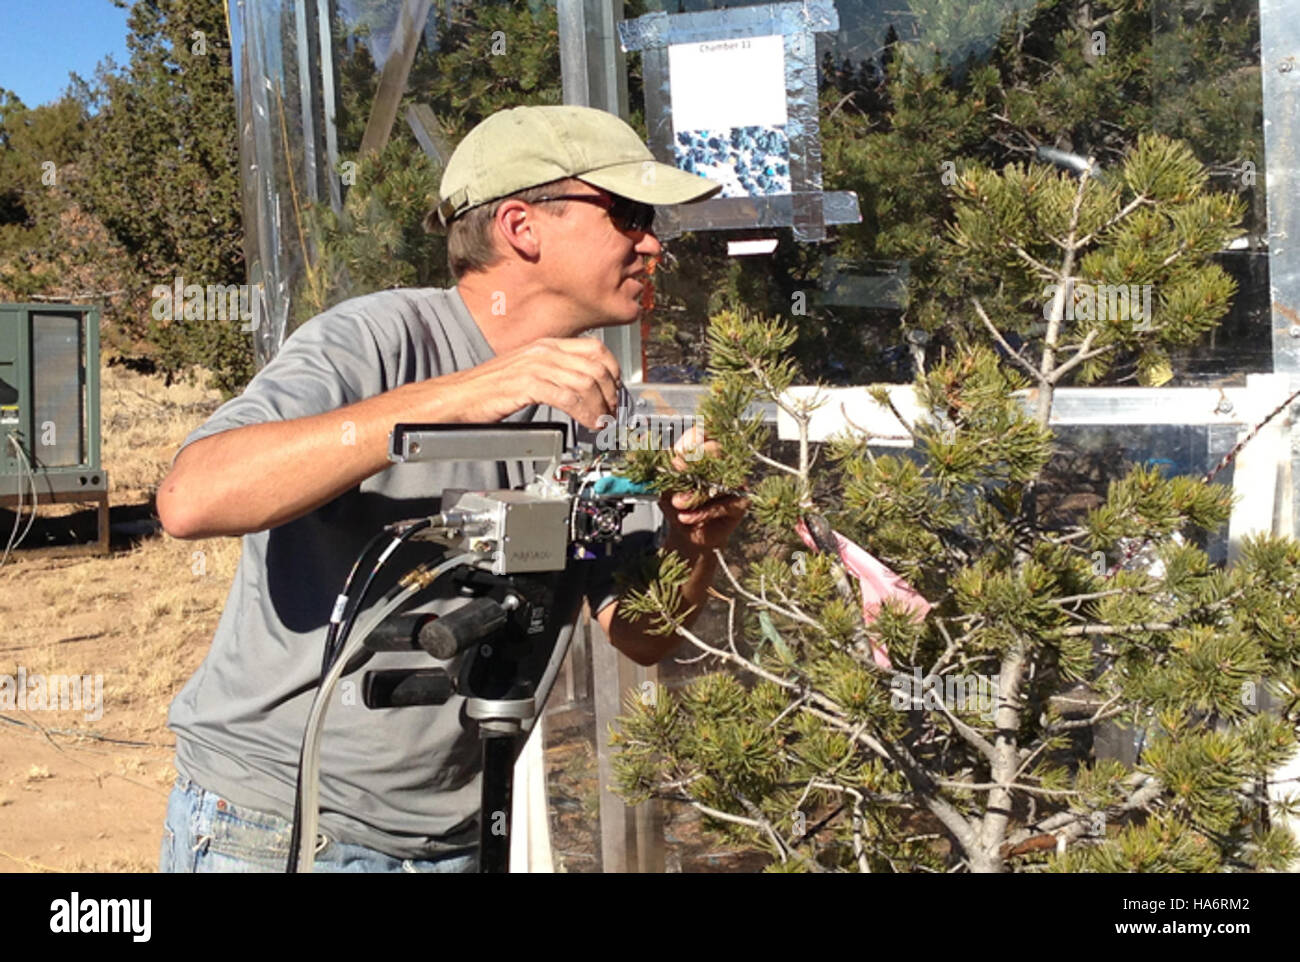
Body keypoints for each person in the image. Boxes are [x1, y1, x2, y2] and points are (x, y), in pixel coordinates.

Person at [154, 104, 748, 872]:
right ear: (521, 226)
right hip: (281, 826)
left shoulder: (602, 406)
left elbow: (641, 634)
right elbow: (192, 498)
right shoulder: (374, 338)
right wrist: (464, 393)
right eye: (628, 214)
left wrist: (693, 544)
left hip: (455, 840)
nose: (652, 243)